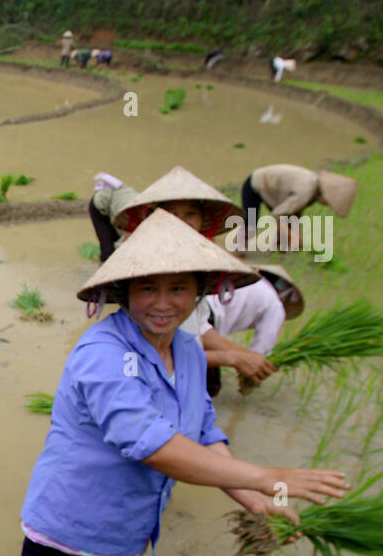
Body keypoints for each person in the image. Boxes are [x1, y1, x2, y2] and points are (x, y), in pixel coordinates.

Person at [0, 209, 349, 556]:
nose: (163, 304)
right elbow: (154, 445)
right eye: (148, 289)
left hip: (122, 532)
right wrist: (268, 475)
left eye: (178, 289)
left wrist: (254, 499)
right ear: (125, 293)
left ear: (200, 290)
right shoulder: (103, 353)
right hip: (75, 532)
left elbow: (203, 432)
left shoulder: (186, 350)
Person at [109, 166, 278, 392]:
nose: (182, 222)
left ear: (201, 221)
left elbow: (197, 329)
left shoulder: (193, 271)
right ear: (153, 220)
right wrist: (232, 358)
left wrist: (240, 355)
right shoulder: (140, 268)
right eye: (172, 214)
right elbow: (159, 357)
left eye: (190, 214)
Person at [241, 164, 357, 250]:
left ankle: (277, 251)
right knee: (250, 226)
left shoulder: (314, 186)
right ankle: (237, 252)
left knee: (290, 225)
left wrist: (296, 234)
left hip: (275, 192)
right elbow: (277, 214)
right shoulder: (307, 191)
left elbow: (295, 212)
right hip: (255, 185)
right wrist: (293, 236)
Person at [207, 263, 304, 357]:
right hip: (209, 321)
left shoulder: (244, 279)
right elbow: (262, 348)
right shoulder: (275, 305)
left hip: (199, 306)